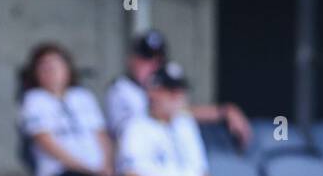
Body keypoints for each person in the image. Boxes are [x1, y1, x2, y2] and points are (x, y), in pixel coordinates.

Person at [18, 43, 119, 176]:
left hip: (97, 172)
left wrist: (107, 166)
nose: (51, 71)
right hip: (59, 174)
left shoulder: (82, 96)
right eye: (44, 67)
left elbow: (102, 135)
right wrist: (88, 170)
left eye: (55, 65)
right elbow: (46, 142)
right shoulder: (34, 100)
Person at [105, 29, 250, 147]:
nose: (153, 66)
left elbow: (179, 110)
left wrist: (224, 111)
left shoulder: (183, 124)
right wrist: (221, 111)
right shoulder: (120, 90)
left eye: (158, 60)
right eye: (146, 59)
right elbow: (155, 117)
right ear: (132, 59)